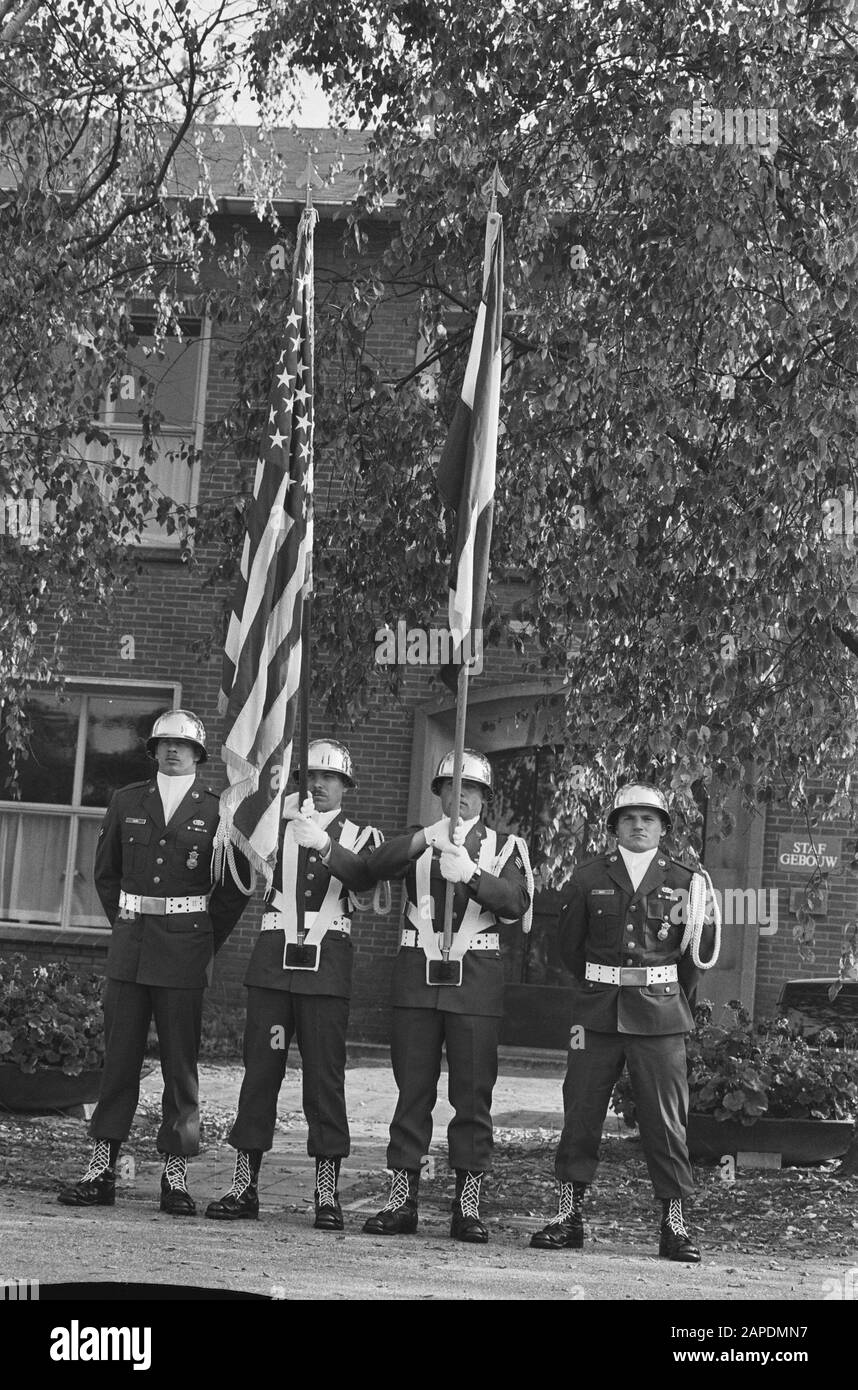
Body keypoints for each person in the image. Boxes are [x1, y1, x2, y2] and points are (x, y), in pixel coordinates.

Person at [58, 710, 252, 1216]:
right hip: (131, 945)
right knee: (118, 1061)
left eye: (182, 745)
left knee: (180, 1067)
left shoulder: (218, 812)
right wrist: (128, 924)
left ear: (198, 755)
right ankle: (101, 1170)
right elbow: (106, 876)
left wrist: (203, 941)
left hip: (186, 949)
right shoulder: (127, 801)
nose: (172, 751)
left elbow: (231, 890)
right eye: (164, 743)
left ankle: (175, 1175)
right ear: (154, 750)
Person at [529, 783, 719, 1262]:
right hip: (595, 1013)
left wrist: (668, 997)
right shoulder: (587, 875)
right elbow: (569, 949)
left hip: (659, 1012)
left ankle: (674, 1224)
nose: (638, 825)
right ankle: (567, 1215)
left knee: (665, 1120)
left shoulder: (686, 881)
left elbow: (694, 960)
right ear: (614, 826)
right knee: (581, 1111)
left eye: (649, 818)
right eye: (629, 817)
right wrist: (603, 983)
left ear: (663, 828)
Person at [205, 739, 382, 1230]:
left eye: (330, 778)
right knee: (260, 1073)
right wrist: (277, 821)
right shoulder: (272, 829)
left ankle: (327, 1193)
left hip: (325, 970)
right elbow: (233, 861)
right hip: (273, 967)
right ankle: (244, 1184)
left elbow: (366, 883)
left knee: (324, 1080)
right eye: (311, 777)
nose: (319, 785)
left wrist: (324, 845)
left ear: (346, 786)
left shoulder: (362, 835)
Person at [361, 749, 532, 1244]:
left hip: (474, 981)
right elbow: (373, 867)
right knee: (411, 1092)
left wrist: (473, 877)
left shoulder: (505, 846)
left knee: (472, 1096)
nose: (462, 796)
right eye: (452, 787)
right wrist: (423, 840)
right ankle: (401, 1198)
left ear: (485, 797)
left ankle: (467, 1203)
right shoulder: (421, 839)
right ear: (439, 793)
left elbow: (517, 903)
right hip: (418, 979)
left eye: (472, 789)